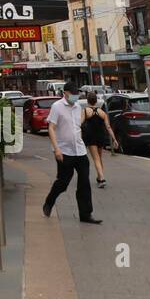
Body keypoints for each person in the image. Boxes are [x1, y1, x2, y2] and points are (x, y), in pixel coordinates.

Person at [42, 84, 101, 224]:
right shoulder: (57, 106)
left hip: (80, 151)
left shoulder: (77, 107)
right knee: (63, 182)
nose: (75, 95)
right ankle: (49, 201)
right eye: (73, 93)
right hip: (64, 151)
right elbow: (51, 127)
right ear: (66, 93)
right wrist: (56, 149)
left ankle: (86, 214)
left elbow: (77, 127)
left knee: (84, 183)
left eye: (77, 93)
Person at [80, 92, 118, 188]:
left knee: (96, 158)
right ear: (96, 101)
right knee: (99, 158)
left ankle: (102, 179)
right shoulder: (102, 113)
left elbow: (79, 124)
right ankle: (99, 176)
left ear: (88, 101)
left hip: (91, 137)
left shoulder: (85, 111)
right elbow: (108, 127)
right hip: (101, 137)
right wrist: (114, 139)